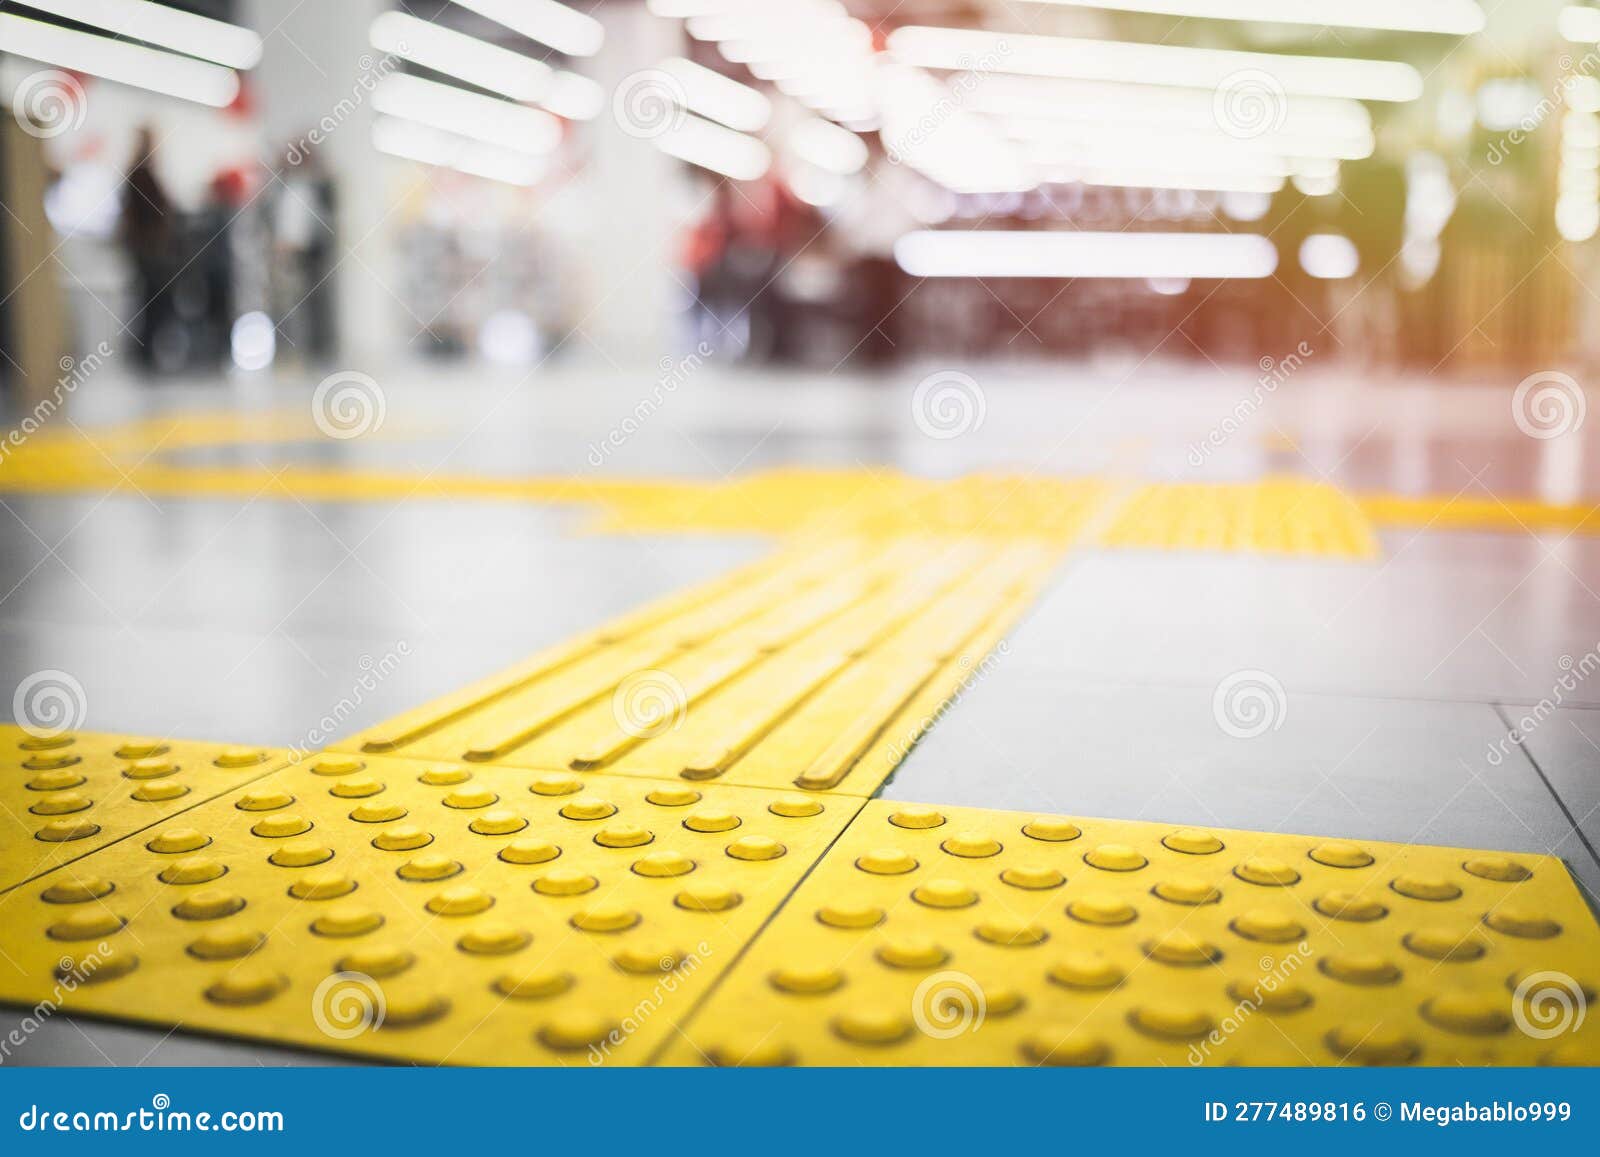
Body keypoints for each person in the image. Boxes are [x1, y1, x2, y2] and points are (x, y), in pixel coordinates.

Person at [118, 126, 176, 373]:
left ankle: (144, 352)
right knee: (153, 301)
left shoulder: (138, 174)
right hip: (148, 251)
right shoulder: (141, 175)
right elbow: (155, 211)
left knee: (148, 301)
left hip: (145, 250)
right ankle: (143, 353)